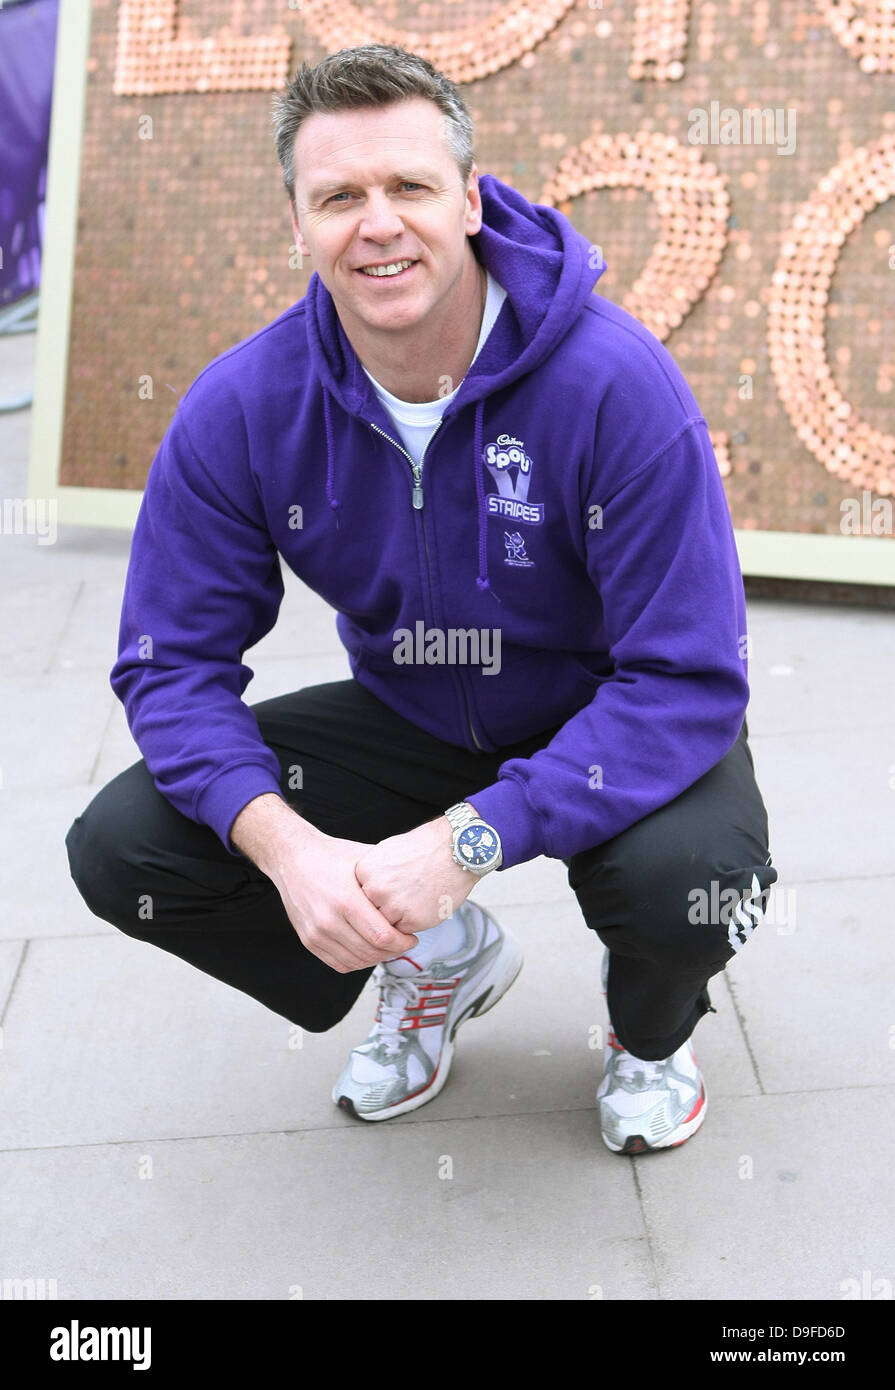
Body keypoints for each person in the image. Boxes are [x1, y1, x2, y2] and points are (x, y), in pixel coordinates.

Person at [66, 43, 778, 1154]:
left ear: (471, 200)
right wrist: (292, 850)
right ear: (296, 228)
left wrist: (469, 842)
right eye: (339, 196)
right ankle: (437, 959)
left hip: (606, 718)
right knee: (125, 844)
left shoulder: (615, 385)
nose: (379, 222)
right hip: (416, 712)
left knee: (684, 882)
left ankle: (650, 1031)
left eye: (409, 186)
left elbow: (686, 677)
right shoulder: (242, 406)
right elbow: (171, 665)